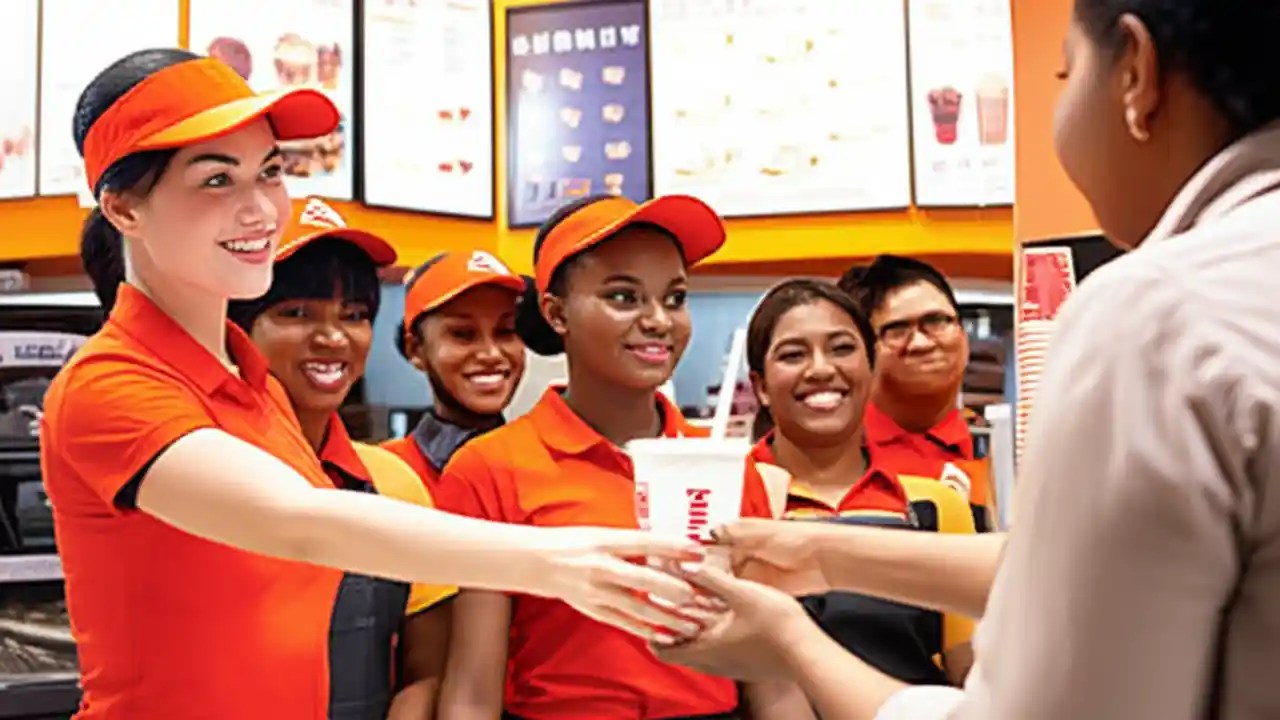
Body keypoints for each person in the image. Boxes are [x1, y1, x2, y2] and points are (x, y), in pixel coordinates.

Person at [658, 1, 1280, 718]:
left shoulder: (1156, 319)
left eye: (1064, 72)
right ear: (760, 383)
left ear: (1135, 75)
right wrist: (824, 556)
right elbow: (1088, 572)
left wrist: (793, 641)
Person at [42, 49, 706, 718]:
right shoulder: (109, 384)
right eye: (217, 180)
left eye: (271, 172)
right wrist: (558, 560)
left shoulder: (255, 387)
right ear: (123, 208)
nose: (262, 209)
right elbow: (298, 521)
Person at [435, 195, 798, 720]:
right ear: (556, 312)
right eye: (624, 297)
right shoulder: (489, 469)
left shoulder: (725, 466)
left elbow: (771, 675)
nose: (658, 321)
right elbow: (472, 690)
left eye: (674, 298)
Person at [227, 198, 455, 718]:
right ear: (238, 327)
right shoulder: (200, 469)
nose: (332, 337)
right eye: (296, 313)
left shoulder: (394, 483)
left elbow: (425, 672)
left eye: (354, 315)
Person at [743, 279, 976, 688]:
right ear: (761, 387)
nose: (820, 369)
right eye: (793, 354)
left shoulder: (934, 506)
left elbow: (969, 671)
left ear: (871, 369)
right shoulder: (727, 499)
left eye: (842, 348)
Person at [838, 255, 993, 531]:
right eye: (897, 330)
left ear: (963, 336)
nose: (920, 343)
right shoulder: (827, 455)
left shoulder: (1002, 452)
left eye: (936, 321)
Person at [381, 249, 526, 497]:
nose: (491, 353)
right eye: (463, 334)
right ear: (415, 350)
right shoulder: (385, 472)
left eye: (506, 331)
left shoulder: (552, 460)